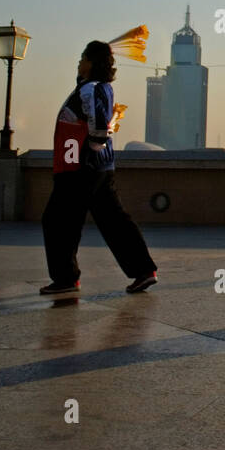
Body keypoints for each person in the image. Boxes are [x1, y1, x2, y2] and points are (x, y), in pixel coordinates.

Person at [40, 41, 158, 295]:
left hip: (80, 167)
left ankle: (66, 278)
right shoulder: (98, 87)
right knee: (112, 219)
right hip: (96, 167)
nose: (79, 62)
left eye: (82, 57)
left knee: (58, 220)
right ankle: (143, 271)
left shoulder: (90, 89)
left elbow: (98, 127)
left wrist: (90, 147)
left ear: (91, 63)